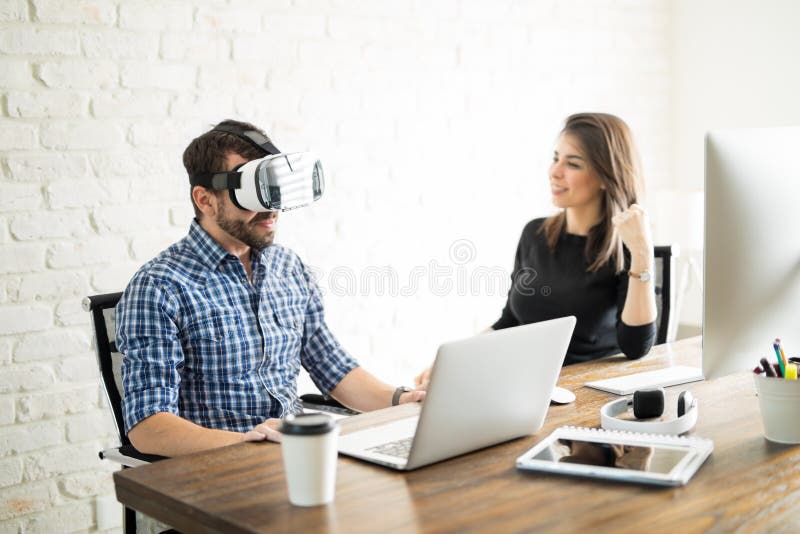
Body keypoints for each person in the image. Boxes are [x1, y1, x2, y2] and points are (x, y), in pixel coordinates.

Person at [116, 120, 425, 458]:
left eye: (273, 189)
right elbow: (147, 426)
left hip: (295, 456)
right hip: (222, 466)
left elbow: (331, 366)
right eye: (252, 193)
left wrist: (401, 400)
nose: (271, 208)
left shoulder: (287, 267)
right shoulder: (159, 287)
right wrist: (248, 440)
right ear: (205, 200)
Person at [416, 112, 657, 386]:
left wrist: (642, 255)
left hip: (590, 390)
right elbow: (510, 321)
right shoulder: (535, 234)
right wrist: (451, 361)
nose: (555, 172)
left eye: (573, 164)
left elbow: (636, 347)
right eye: (556, 158)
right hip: (527, 384)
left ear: (606, 176)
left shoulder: (626, 248)